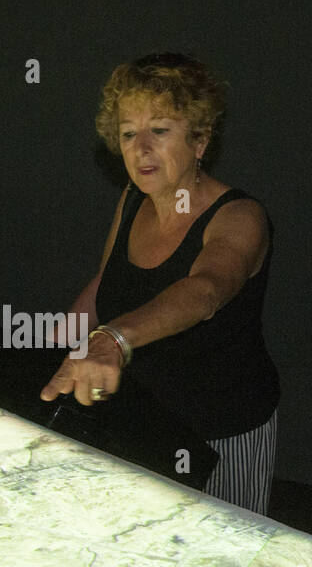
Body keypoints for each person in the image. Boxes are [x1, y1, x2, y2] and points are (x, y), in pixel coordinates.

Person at [39, 52, 280, 514]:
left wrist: (112, 339)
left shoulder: (240, 216)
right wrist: (50, 350)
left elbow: (205, 291)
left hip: (220, 431)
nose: (141, 148)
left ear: (200, 140)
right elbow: (106, 284)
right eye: (129, 133)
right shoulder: (133, 198)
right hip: (141, 419)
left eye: (160, 130)